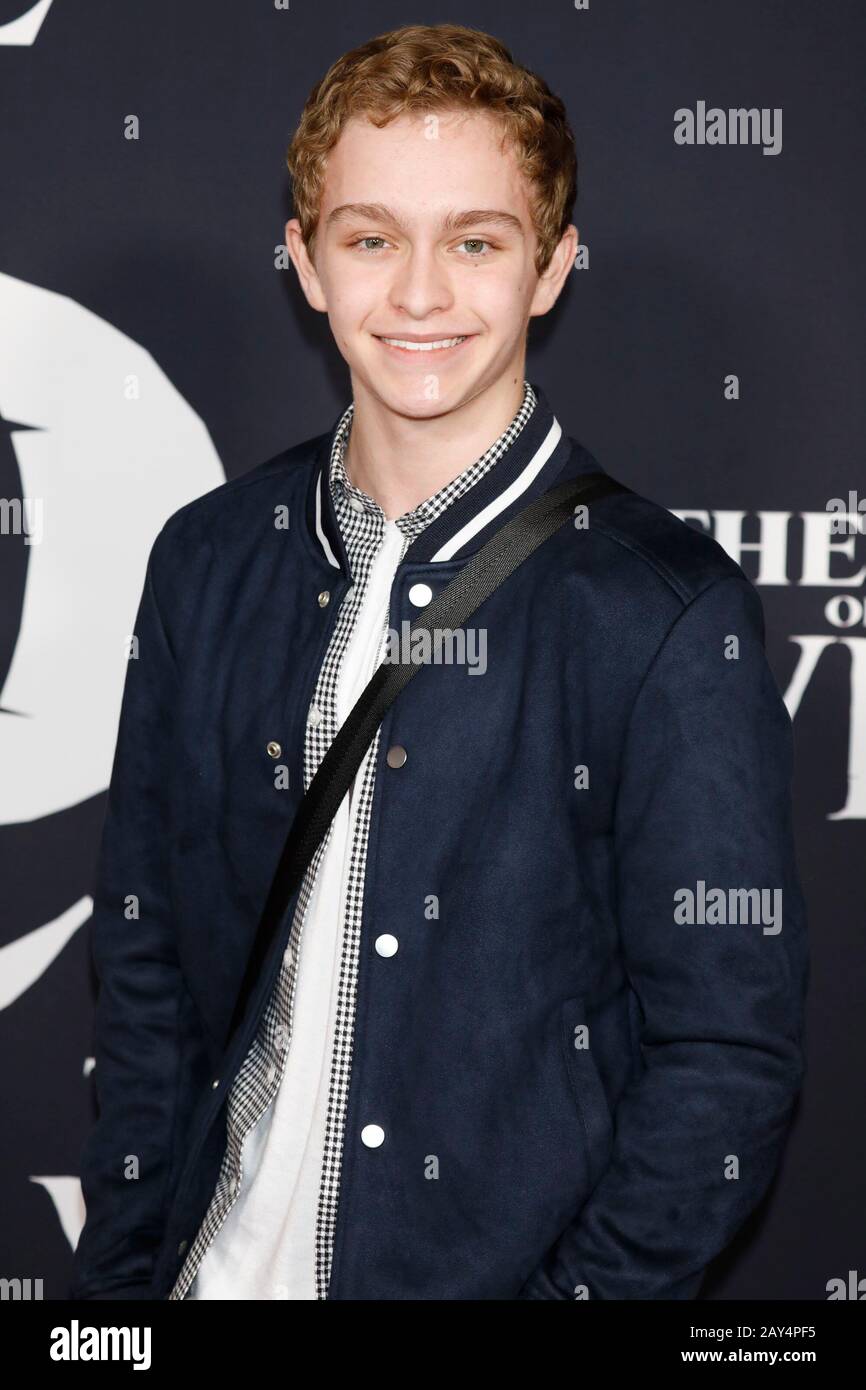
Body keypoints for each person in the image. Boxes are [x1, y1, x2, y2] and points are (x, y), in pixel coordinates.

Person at [70, 22, 808, 1302]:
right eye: (371, 240)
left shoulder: (661, 609)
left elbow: (725, 1053)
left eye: (474, 242)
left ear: (551, 267)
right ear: (306, 262)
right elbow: (147, 970)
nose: (419, 296)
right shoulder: (208, 557)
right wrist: (123, 1285)